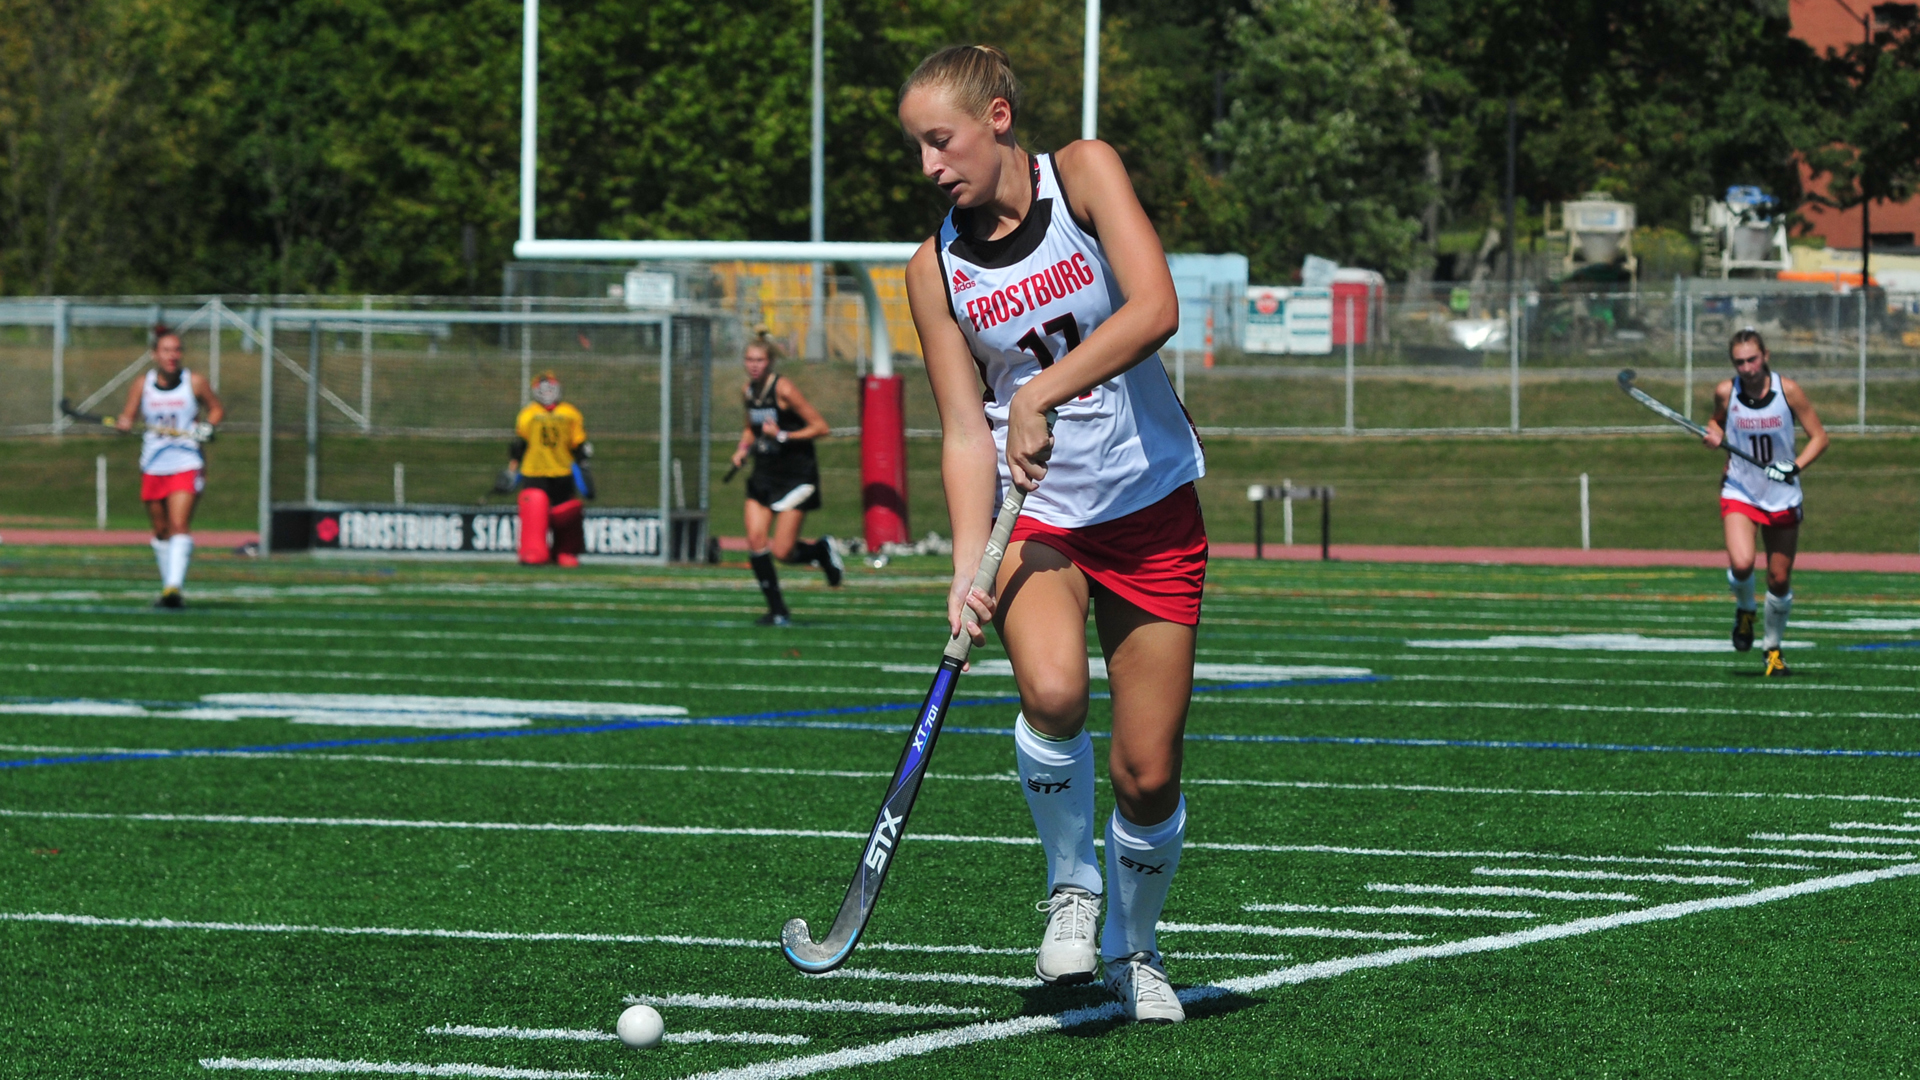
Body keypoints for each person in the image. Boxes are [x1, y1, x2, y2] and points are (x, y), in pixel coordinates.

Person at [899, 45, 1206, 1023]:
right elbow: (963, 428)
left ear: (996, 118)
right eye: (916, 148)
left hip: (1151, 505)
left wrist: (1040, 393)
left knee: (1147, 773)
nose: (929, 166)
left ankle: (1135, 947)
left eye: (940, 140)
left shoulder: (1083, 175)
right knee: (1055, 691)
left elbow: (1156, 308)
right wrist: (965, 565)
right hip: (1038, 520)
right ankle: (1072, 888)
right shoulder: (934, 270)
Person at [1704, 328, 1828, 676]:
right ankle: (1745, 610)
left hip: (1781, 495)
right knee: (1742, 563)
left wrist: (1794, 467)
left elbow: (1820, 437)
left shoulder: (1787, 391)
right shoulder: (1726, 392)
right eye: (1739, 362)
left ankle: (1772, 648)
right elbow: (1716, 421)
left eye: (1752, 359)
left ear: (1766, 356)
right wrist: (1714, 432)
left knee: (1778, 579)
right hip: (1740, 489)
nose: (1747, 368)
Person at [728, 333, 843, 625]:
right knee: (755, 539)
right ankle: (778, 611)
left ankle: (820, 550)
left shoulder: (784, 389)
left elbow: (821, 427)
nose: (754, 365)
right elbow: (751, 428)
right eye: (749, 360)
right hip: (764, 473)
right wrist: (742, 450)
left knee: (782, 551)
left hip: (795, 476)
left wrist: (782, 435)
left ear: (770, 362)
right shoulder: (748, 391)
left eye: (759, 360)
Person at [116, 325, 222, 608]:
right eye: (166, 350)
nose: (172, 355)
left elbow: (216, 409)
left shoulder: (194, 382)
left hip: (186, 462)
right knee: (162, 531)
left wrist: (208, 427)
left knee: (178, 525)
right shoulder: (143, 384)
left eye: (176, 350)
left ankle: (174, 588)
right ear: (155, 354)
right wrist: (124, 423)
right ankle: (169, 590)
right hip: (153, 464)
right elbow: (128, 417)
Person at [508, 372, 591, 567]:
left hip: (563, 471)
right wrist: (512, 468)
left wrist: (584, 467)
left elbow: (578, 444)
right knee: (534, 507)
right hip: (535, 471)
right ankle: (533, 550)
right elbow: (520, 445)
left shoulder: (569, 413)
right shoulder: (528, 414)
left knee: (566, 513)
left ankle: (565, 550)